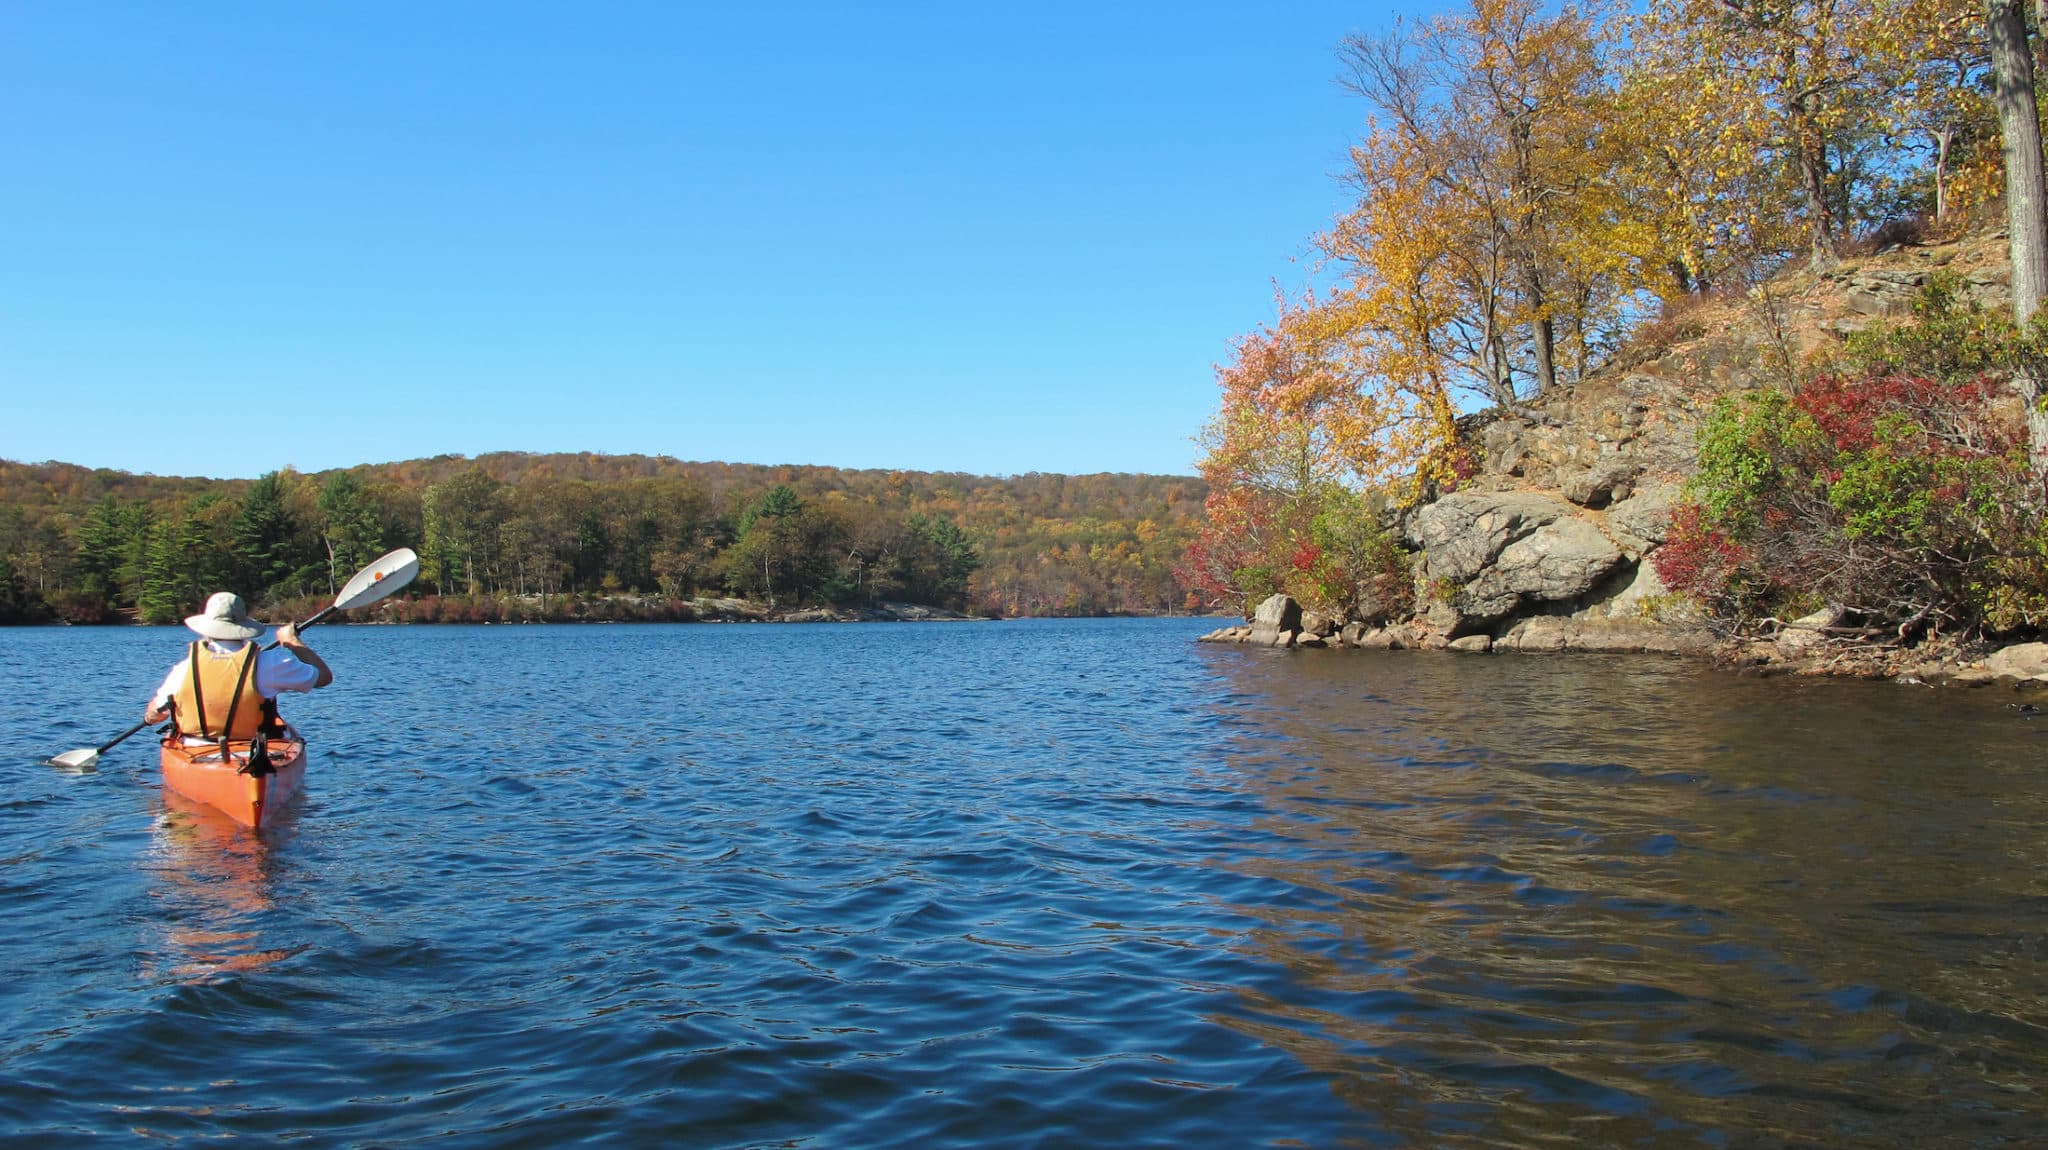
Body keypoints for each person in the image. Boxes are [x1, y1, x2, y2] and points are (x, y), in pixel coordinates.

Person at [144, 592, 333, 741]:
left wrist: (151, 715)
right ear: (243, 628)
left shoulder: (184, 669)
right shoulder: (270, 662)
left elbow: (156, 714)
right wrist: (292, 642)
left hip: (196, 748)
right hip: (253, 751)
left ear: (207, 629)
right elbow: (324, 677)